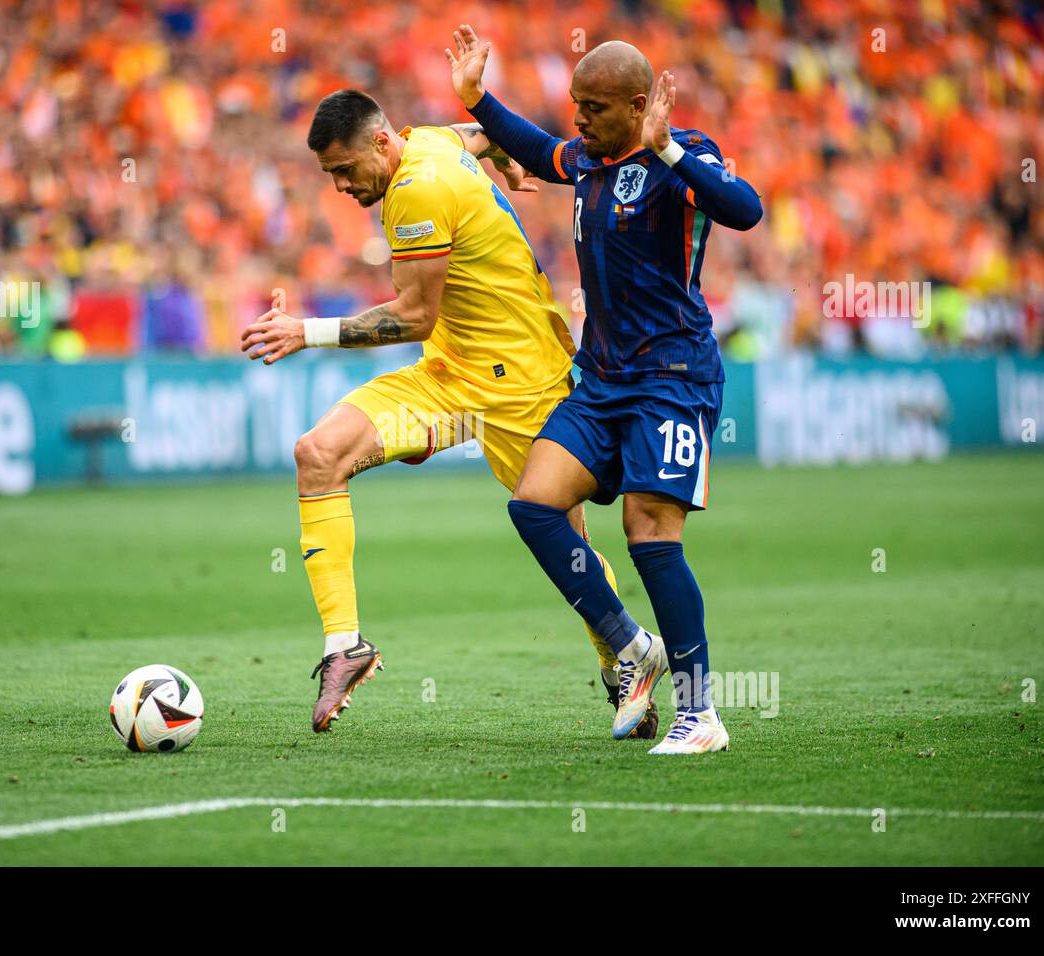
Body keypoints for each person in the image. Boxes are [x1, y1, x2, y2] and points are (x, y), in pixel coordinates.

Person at [241, 89, 655, 737]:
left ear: (381, 144)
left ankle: (623, 661)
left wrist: (306, 332)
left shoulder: (416, 192)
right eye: (331, 176)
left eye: (346, 170)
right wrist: (510, 162)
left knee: (567, 543)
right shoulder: (428, 141)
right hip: (448, 381)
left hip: (522, 384)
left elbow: (413, 316)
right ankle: (344, 644)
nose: (343, 186)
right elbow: (478, 134)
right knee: (318, 454)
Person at [446, 24, 762, 752]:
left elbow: (744, 209)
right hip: (603, 380)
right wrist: (479, 101)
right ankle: (629, 644)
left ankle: (699, 713)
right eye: (576, 104)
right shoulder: (588, 160)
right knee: (533, 506)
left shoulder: (684, 157)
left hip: (671, 380)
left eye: (593, 107)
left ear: (640, 103)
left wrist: (669, 147)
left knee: (649, 533)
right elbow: (537, 151)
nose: (579, 119)